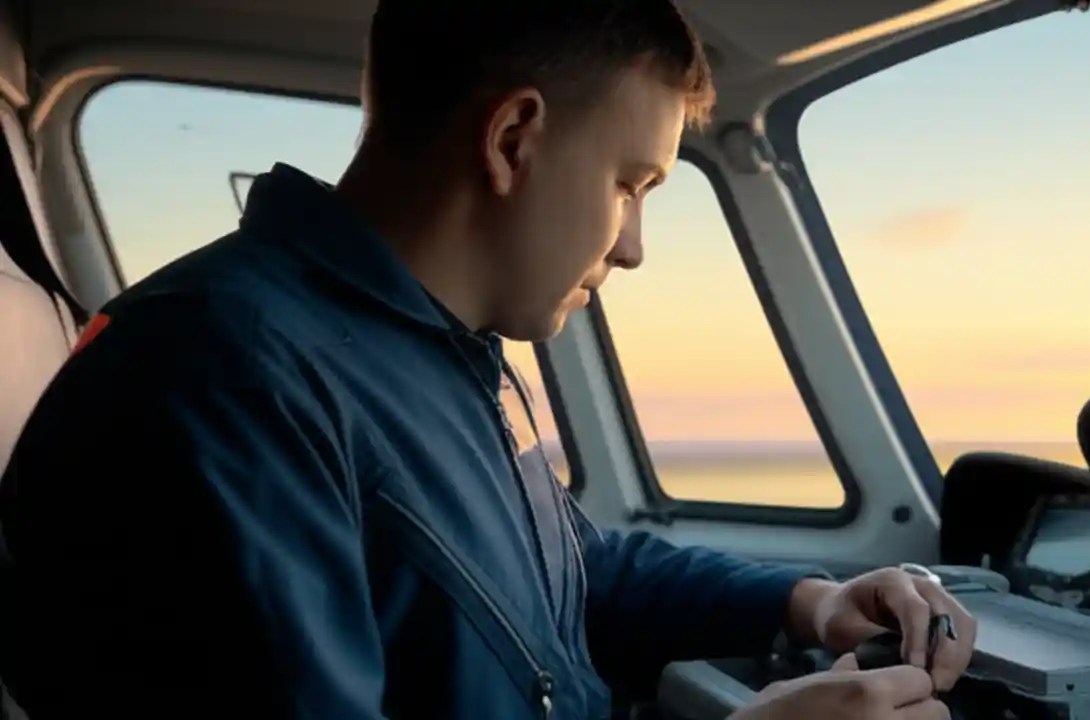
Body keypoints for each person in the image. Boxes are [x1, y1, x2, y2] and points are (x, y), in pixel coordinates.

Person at [0, 1, 974, 718]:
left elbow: (561, 569)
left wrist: (808, 602)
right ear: (512, 138)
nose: (632, 246)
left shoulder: (437, 349)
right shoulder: (226, 380)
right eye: (629, 184)